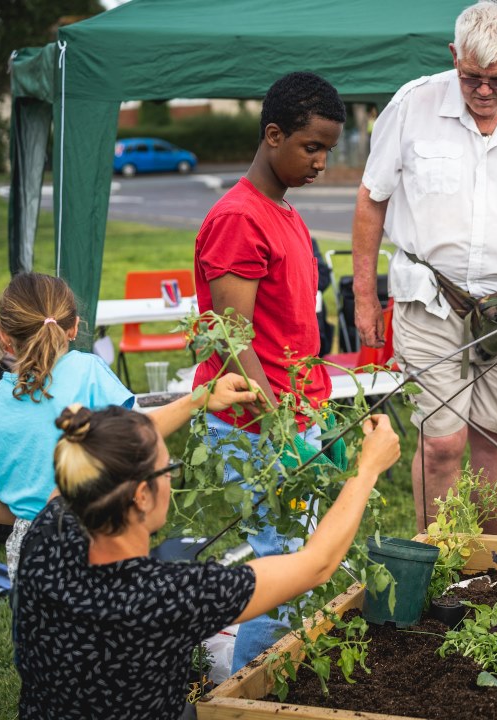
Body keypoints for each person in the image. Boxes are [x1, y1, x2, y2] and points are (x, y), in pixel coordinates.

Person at [351, 0, 497, 536]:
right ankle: (435, 561)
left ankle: (494, 572)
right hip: (430, 302)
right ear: (453, 56)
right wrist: (366, 296)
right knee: (440, 444)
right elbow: (372, 199)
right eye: (471, 77)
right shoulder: (413, 105)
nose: (483, 90)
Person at [13, 403, 399, 720]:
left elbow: (101, 452)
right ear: (142, 496)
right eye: (168, 469)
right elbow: (317, 564)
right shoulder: (165, 595)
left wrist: (200, 398)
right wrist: (367, 469)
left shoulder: (48, 531)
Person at [193, 70, 346, 669]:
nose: (321, 163)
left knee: (303, 557)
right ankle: (251, 688)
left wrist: (318, 415)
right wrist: (284, 429)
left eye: (328, 151)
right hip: (254, 427)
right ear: (273, 135)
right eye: (312, 148)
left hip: (294, 419)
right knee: (281, 564)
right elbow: (233, 340)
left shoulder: (282, 210)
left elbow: (293, 331)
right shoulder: (239, 219)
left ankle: (280, 675)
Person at [0, 273, 255, 582]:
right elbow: (137, 432)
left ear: (3, 336)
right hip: (97, 533)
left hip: (27, 548)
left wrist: (32, 518)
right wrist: (200, 399)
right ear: (75, 327)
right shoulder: (86, 370)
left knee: (48, 626)